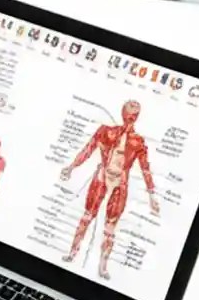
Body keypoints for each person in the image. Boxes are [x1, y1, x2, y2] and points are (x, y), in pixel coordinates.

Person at [59, 99, 159, 280]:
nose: (130, 118)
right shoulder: (106, 131)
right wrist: (72, 166)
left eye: (134, 115)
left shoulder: (138, 142)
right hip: (102, 177)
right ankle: (73, 253)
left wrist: (152, 195)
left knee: (110, 227)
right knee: (87, 216)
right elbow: (88, 149)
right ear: (123, 114)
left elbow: (145, 168)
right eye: (129, 114)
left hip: (120, 183)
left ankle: (103, 267)